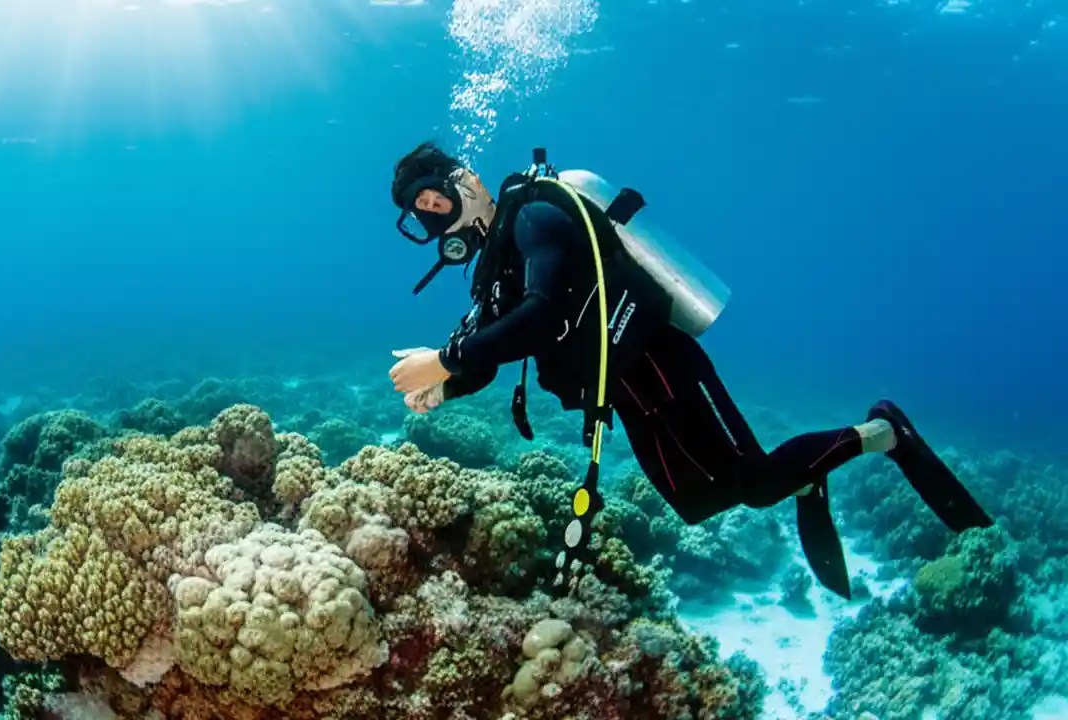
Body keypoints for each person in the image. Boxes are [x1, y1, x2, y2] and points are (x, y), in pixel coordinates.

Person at [385, 140, 994, 599]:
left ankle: (883, 432)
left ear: (464, 180)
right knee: (700, 504)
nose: (441, 218)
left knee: (753, 483)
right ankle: (805, 476)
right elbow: (495, 348)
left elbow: (543, 315)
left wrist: (443, 360)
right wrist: (448, 385)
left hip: (659, 361)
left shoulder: (533, 217)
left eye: (439, 200)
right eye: (428, 215)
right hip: (622, 391)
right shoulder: (495, 270)